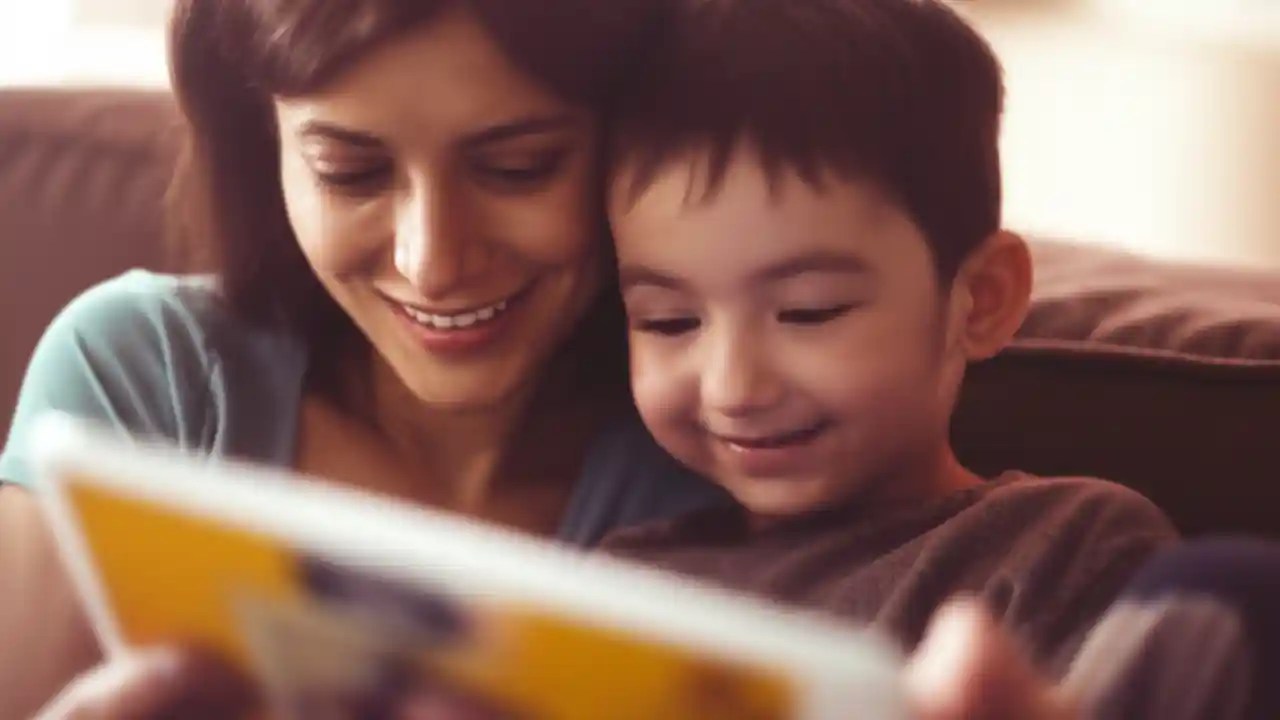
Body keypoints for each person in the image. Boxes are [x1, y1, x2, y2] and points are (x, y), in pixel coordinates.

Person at [0, 1, 729, 717]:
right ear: (268, 151)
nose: (432, 262)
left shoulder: (734, 448)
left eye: (518, 167)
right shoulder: (143, 374)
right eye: (349, 172)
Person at [599, 0, 1190, 710]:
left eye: (808, 311)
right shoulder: (619, 584)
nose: (733, 386)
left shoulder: (1063, 546)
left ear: (980, 301)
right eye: (669, 321)